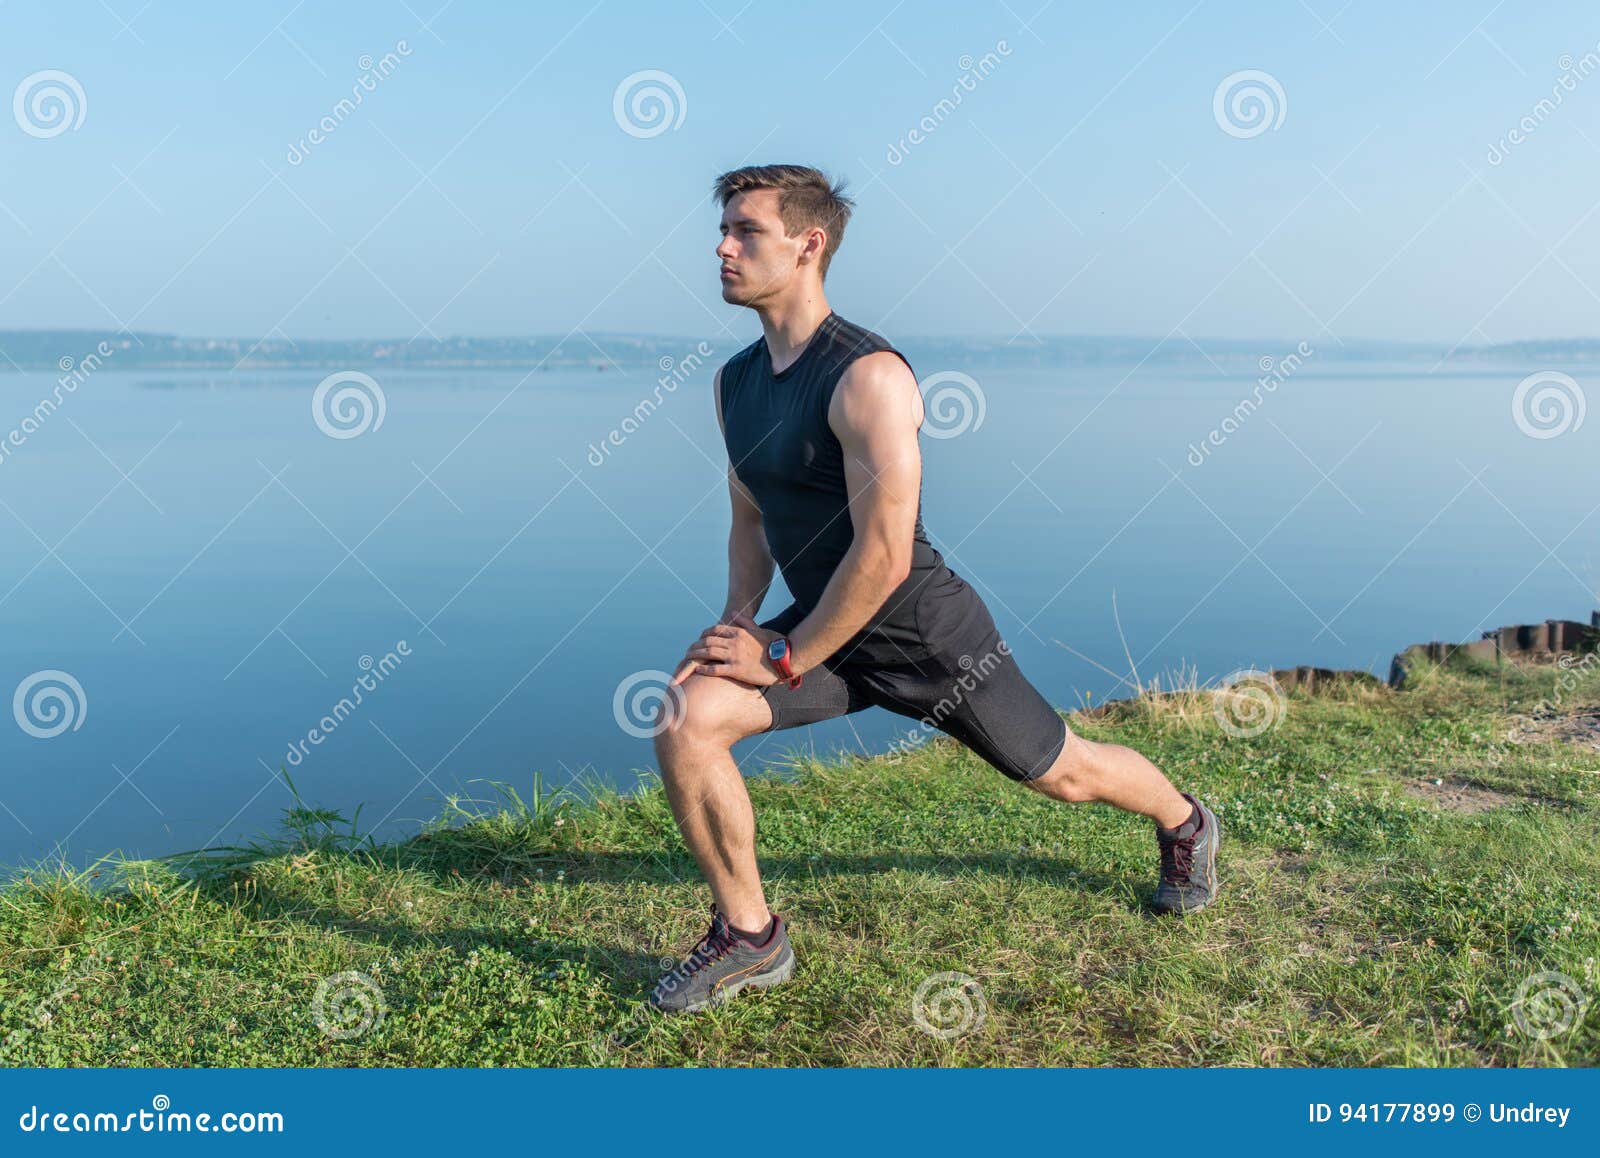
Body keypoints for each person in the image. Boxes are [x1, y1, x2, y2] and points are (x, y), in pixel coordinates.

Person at [648, 164, 1218, 1015]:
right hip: (821, 630)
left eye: (746, 231)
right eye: (723, 229)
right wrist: (740, 625)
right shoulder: (734, 382)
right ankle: (751, 936)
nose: (723, 248)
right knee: (686, 716)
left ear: (810, 245)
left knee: (1065, 774)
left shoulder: (869, 377)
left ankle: (1184, 821)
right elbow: (749, 518)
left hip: (922, 632)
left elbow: (880, 556)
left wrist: (784, 656)